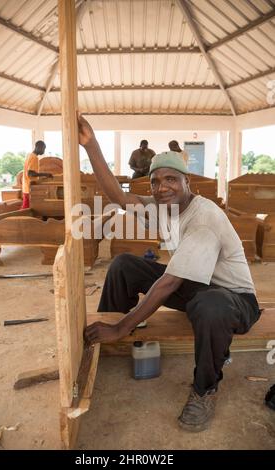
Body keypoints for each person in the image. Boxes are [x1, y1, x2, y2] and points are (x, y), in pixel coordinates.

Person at [78, 114, 261, 432]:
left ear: (187, 182)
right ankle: (117, 343)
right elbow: (119, 197)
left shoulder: (204, 219)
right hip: (198, 287)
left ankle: (206, 389)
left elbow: (170, 282)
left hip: (235, 302)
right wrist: (91, 145)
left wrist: (123, 325)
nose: (162, 188)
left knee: (209, 304)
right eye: (155, 182)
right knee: (123, 264)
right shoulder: (163, 206)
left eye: (171, 180)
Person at [21, 141, 53, 209]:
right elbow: (31, 174)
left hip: (26, 187)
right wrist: (45, 174)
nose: (44, 151)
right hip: (29, 188)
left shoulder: (30, 155)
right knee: (25, 210)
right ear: (38, 147)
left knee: (26, 208)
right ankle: (15, 220)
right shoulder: (34, 158)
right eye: (43, 148)